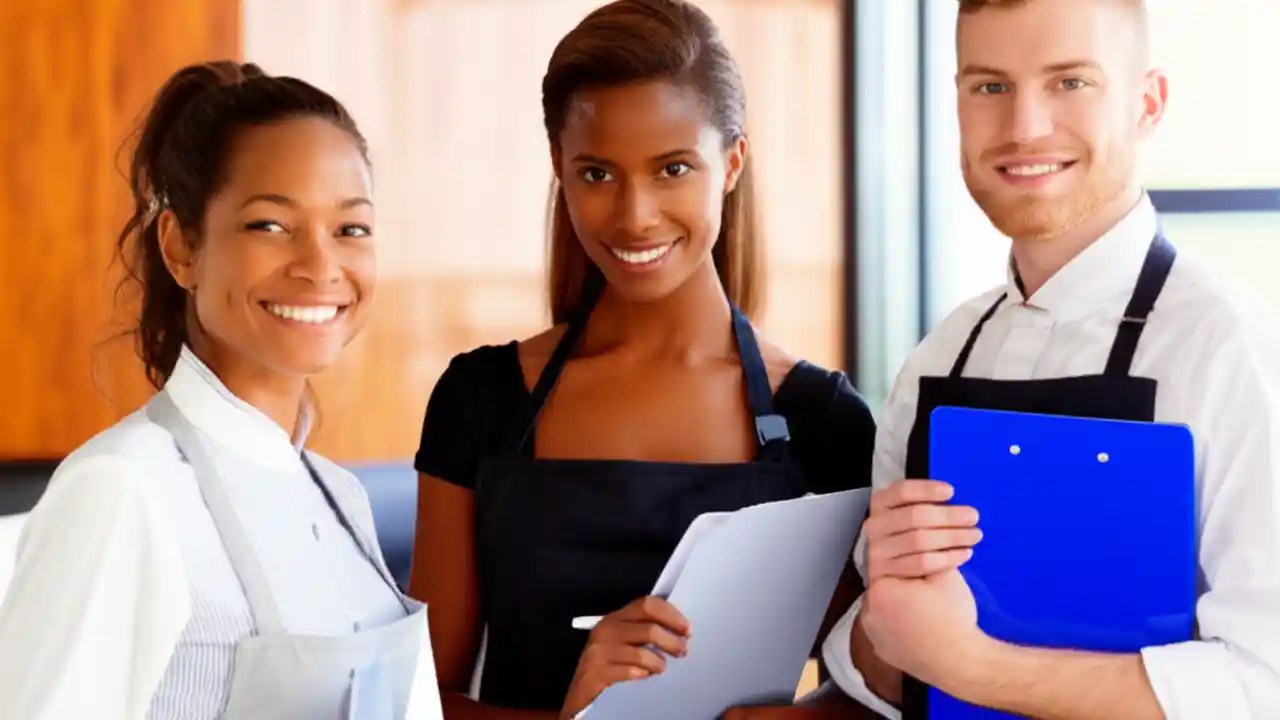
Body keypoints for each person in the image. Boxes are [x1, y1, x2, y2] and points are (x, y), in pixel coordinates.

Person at [408, 1, 876, 717]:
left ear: (732, 162)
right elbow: (415, 704)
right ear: (559, 169)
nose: (634, 215)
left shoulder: (825, 422)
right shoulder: (481, 398)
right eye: (597, 174)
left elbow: (869, 688)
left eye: (673, 169)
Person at [817, 0, 1280, 718]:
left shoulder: (1233, 351)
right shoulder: (937, 359)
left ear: (1146, 103)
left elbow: (1261, 686)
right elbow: (881, 673)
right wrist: (884, 620)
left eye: (1070, 83)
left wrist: (968, 665)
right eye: (990, 87)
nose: (1024, 128)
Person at [0, 62, 443, 719]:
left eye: (350, 229)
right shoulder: (123, 489)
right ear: (181, 247)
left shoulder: (339, 497)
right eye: (270, 225)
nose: (321, 266)